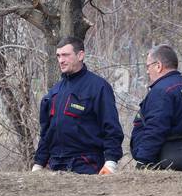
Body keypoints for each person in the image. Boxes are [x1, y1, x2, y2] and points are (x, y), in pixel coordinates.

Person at [31, 37, 123, 175]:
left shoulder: (98, 87)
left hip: (87, 165)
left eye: (66, 55)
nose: (61, 60)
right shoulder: (54, 92)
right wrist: (38, 164)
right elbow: (47, 133)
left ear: (80, 55)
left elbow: (111, 128)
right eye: (58, 56)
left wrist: (111, 162)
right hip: (56, 167)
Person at [129, 44, 182, 172]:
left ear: (158, 66)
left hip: (161, 164)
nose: (147, 71)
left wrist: (143, 162)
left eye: (148, 66)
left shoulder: (162, 91)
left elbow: (155, 129)